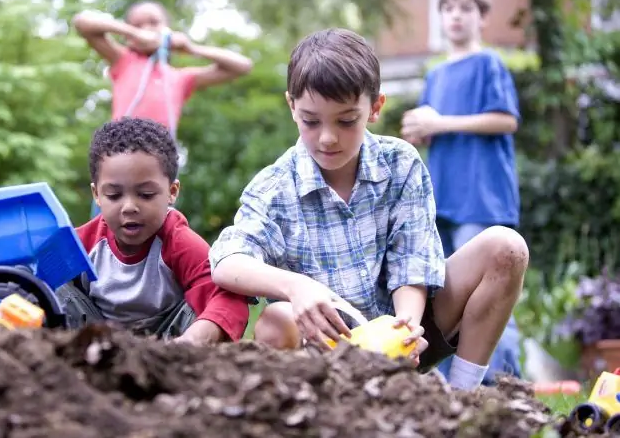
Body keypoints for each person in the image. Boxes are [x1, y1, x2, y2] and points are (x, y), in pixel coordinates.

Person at [208, 28, 529, 391]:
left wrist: (404, 329)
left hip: (407, 337)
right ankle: (313, 413)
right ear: (292, 107)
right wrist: (296, 287)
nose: (328, 137)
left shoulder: (400, 163)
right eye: (311, 121)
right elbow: (225, 260)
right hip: (325, 350)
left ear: (375, 107)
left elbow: (413, 260)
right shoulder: (273, 187)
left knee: (506, 246)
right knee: (277, 318)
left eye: (346, 121)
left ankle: (462, 399)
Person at [400, 0, 523, 384]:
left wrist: (441, 122)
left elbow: (506, 119)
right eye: (448, 8)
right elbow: (442, 128)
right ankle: (454, 390)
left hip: (482, 198)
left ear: (482, 17)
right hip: (443, 199)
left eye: (465, 8)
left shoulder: (490, 64)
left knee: (492, 290)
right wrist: (422, 133)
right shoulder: (436, 76)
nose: (455, 15)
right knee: (446, 298)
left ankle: (502, 388)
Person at [56, 117, 250, 345]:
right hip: (97, 340)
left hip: (169, 345)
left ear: (172, 191)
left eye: (146, 194)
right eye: (114, 195)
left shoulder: (180, 243)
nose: (129, 207)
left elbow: (228, 299)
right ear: (96, 194)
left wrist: (194, 338)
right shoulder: (82, 243)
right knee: (51, 285)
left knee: (215, 298)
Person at [72, 0, 253, 217]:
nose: (147, 29)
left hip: (156, 165)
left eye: (154, 22)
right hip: (118, 160)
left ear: (168, 28)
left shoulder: (178, 77)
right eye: (138, 24)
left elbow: (242, 66)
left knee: (154, 224)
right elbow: (82, 23)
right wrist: (134, 34)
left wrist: (191, 48)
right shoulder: (124, 60)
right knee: (107, 221)